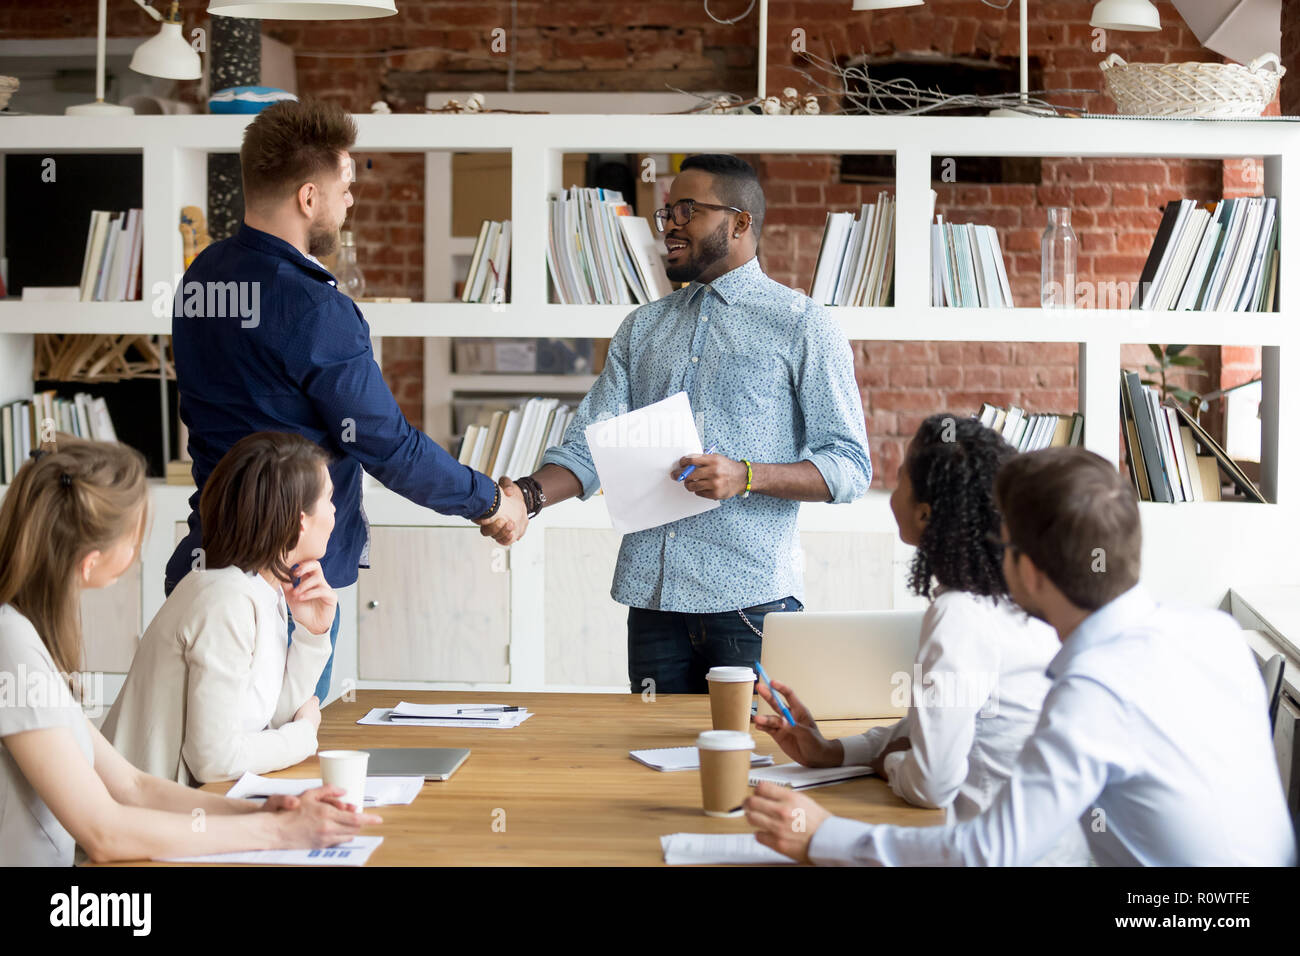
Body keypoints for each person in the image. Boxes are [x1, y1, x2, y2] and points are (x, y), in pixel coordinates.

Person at [745, 447, 1296, 866]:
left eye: (1002, 542)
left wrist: (822, 835)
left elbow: (988, 853)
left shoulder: (1093, 692)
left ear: (1028, 570)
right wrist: (848, 753)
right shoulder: (1216, 633)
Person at [165, 98, 526, 705]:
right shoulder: (313, 307)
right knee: (276, 764)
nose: (349, 202)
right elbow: (382, 440)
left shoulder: (202, 276)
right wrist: (490, 501)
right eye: (345, 187)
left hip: (204, 560)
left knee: (206, 758)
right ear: (309, 198)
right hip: (288, 582)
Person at [484, 154, 872, 693]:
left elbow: (850, 467)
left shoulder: (803, 324)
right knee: (653, 764)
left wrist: (747, 475)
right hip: (652, 603)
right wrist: (525, 497)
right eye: (667, 212)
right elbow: (590, 446)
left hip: (750, 604)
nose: (669, 225)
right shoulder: (642, 328)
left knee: (745, 766)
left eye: (687, 210)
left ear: (739, 222)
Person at [0, 439, 378, 866]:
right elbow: (104, 833)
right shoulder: (12, 645)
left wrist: (265, 811)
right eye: (134, 536)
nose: (138, 552)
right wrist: (278, 827)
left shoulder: (26, 640)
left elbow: (132, 787)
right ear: (90, 562)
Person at [753, 414, 1089, 865]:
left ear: (925, 513)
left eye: (901, 479)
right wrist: (834, 751)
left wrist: (884, 762)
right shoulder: (1013, 598)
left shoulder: (960, 617)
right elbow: (928, 728)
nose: (893, 492)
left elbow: (931, 785)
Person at [105, 432, 337, 784]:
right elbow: (213, 760)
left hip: (188, 809)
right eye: (329, 499)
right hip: (144, 821)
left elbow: (269, 725)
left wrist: (311, 635)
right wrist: (304, 735)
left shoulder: (264, 593)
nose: (335, 511)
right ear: (301, 519)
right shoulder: (225, 599)